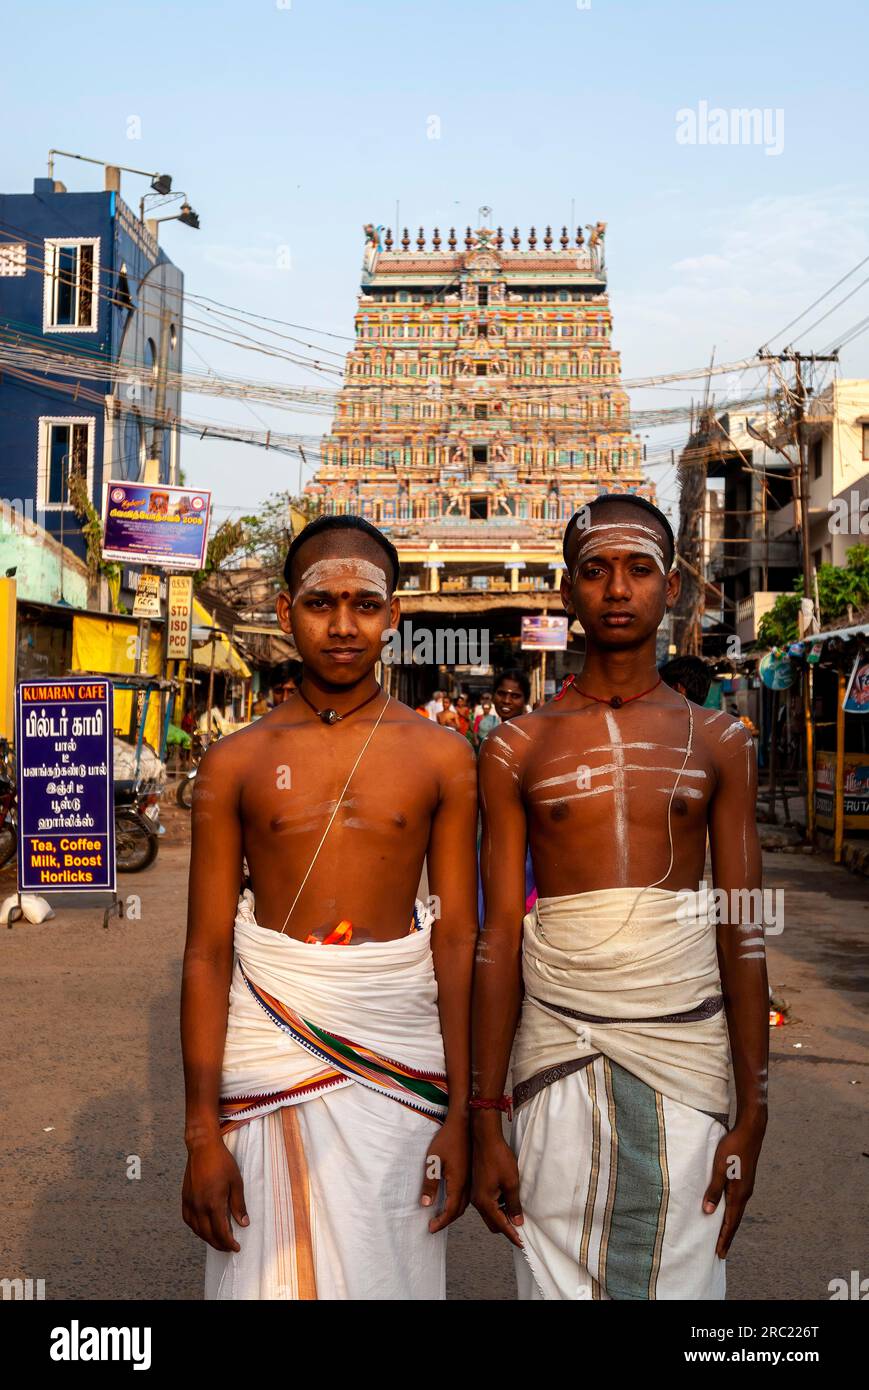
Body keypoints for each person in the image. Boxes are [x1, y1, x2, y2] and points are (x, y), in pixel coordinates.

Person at [472, 493, 767, 1300]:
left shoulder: (721, 742)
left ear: (670, 589)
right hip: (554, 1053)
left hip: (688, 1062)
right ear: (566, 591)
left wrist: (754, 1110)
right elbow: (497, 937)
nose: (615, 588)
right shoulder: (513, 746)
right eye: (594, 571)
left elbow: (741, 933)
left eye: (639, 569)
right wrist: (482, 1114)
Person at [181, 514, 477, 1301]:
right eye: (320, 604)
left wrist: (466, 1111)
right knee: (261, 1279)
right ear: (285, 613)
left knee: (390, 1274)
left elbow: (455, 938)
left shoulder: (442, 755)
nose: (343, 626)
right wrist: (200, 1134)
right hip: (268, 1046)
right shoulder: (234, 760)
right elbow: (207, 952)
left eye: (365, 604)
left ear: (394, 616)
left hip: (399, 1056)